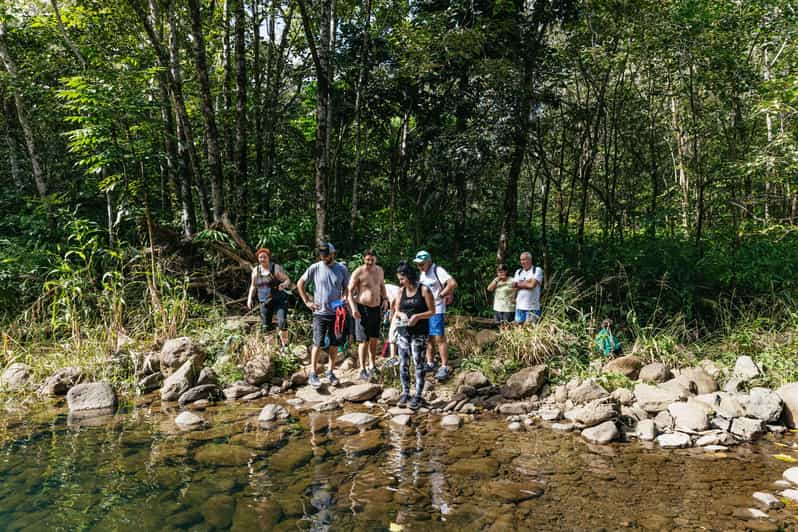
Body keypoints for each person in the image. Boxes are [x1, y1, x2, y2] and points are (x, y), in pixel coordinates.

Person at [296, 242, 350, 388]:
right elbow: (300, 283)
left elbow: (347, 288)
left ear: (333, 254)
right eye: (321, 254)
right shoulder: (315, 267)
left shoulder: (341, 269)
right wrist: (307, 301)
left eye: (326, 254)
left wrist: (345, 297)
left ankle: (330, 372)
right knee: (317, 342)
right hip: (319, 312)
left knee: (334, 343)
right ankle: (313, 373)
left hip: (336, 313)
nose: (323, 257)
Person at [393, 262, 435, 409]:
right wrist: (401, 314)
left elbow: (432, 311)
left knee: (418, 363)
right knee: (403, 363)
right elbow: (396, 310)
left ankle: (418, 395)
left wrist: (417, 317)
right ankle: (405, 393)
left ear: (409, 276)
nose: (400, 281)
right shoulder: (400, 291)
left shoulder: (423, 290)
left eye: (402, 279)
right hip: (404, 332)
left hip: (419, 333)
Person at [414, 250, 457, 381]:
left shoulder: (438, 270)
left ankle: (444, 366)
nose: (420, 266)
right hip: (425, 310)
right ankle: (430, 362)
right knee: (428, 338)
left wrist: (443, 294)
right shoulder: (422, 274)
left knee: (439, 338)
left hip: (437, 309)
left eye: (422, 263)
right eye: (418, 264)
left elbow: (452, 283)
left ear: (428, 261)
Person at [347, 248, 388, 381]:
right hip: (362, 308)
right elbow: (349, 292)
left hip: (376, 308)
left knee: (374, 338)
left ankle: (372, 364)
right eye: (367, 260)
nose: (369, 262)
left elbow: (382, 286)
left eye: (372, 259)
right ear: (364, 259)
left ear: (376, 259)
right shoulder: (359, 271)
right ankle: (362, 368)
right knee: (363, 340)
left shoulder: (380, 270)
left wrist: (385, 299)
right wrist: (353, 309)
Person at [247, 248, 292, 349]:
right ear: (258, 258)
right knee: (266, 326)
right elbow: (253, 286)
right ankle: (271, 349)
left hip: (279, 300)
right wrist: (249, 298)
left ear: (268, 257)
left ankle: (286, 347)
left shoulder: (275, 268)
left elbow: (287, 280)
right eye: (260, 257)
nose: (262, 259)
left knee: (282, 323)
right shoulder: (255, 270)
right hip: (264, 301)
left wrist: (284, 285)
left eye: (264, 257)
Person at [513, 251, 544, 324]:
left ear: (530, 260)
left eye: (524, 259)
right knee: (519, 328)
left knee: (531, 330)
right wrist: (528, 281)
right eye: (521, 260)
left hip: (532, 307)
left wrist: (519, 283)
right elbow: (514, 285)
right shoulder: (518, 272)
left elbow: (532, 285)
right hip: (519, 306)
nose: (522, 262)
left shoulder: (537, 270)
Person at [382, 282, 401, 368]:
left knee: (392, 334)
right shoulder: (391, 287)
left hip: (399, 310)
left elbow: (392, 300)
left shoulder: (384, 288)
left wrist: (391, 314)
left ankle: (393, 358)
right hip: (405, 308)